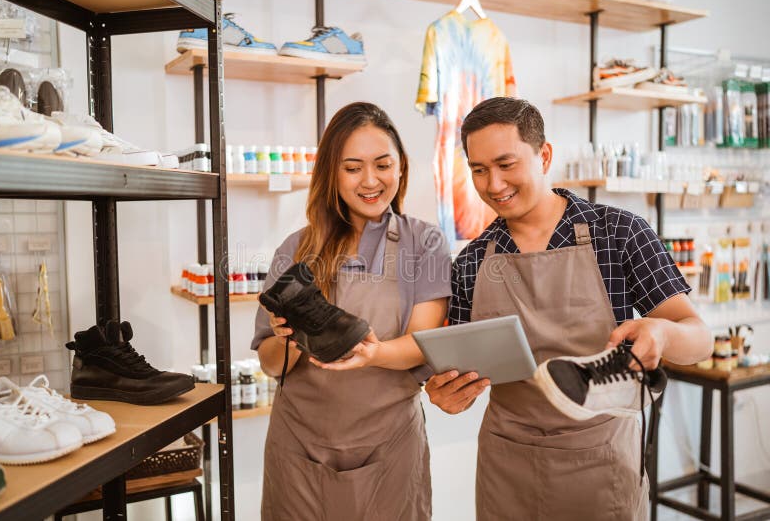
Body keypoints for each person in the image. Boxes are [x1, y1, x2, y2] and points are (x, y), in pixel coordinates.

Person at [424, 97, 712, 520]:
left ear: (544, 155)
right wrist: (447, 395)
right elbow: (459, 374)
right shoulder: (471, 262)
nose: (493, 183)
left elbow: (699, 338)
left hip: (600, 464)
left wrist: (664, 334)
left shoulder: (619, 233)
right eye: (479, 170)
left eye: (506, 164)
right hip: (508, 471)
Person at [252, 102, 451, 521]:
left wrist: (372, 354)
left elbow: (423, 341)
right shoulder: (295, 249)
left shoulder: (425, 243)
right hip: (298, 446)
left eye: (383, 164)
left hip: (390, 445)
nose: (371, 181)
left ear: (401, 167)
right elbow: (270, 362)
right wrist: (289, 339)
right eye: (353, 168)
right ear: (332, 173)